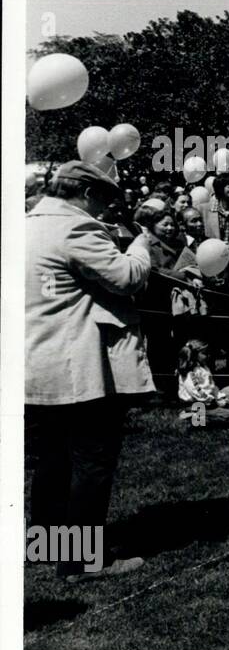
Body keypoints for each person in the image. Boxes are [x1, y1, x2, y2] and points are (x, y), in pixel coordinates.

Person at [25, 161, 154, 579]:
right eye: (102, 199)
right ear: (86, 194)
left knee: (53, 459)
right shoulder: (75, 228)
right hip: (80, 366)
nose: (103, 210)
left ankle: (44, 546)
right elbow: (126, 278)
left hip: (40, 363)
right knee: (91, 462)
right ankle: (79, 560)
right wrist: (140, 245)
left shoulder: (28, 223)